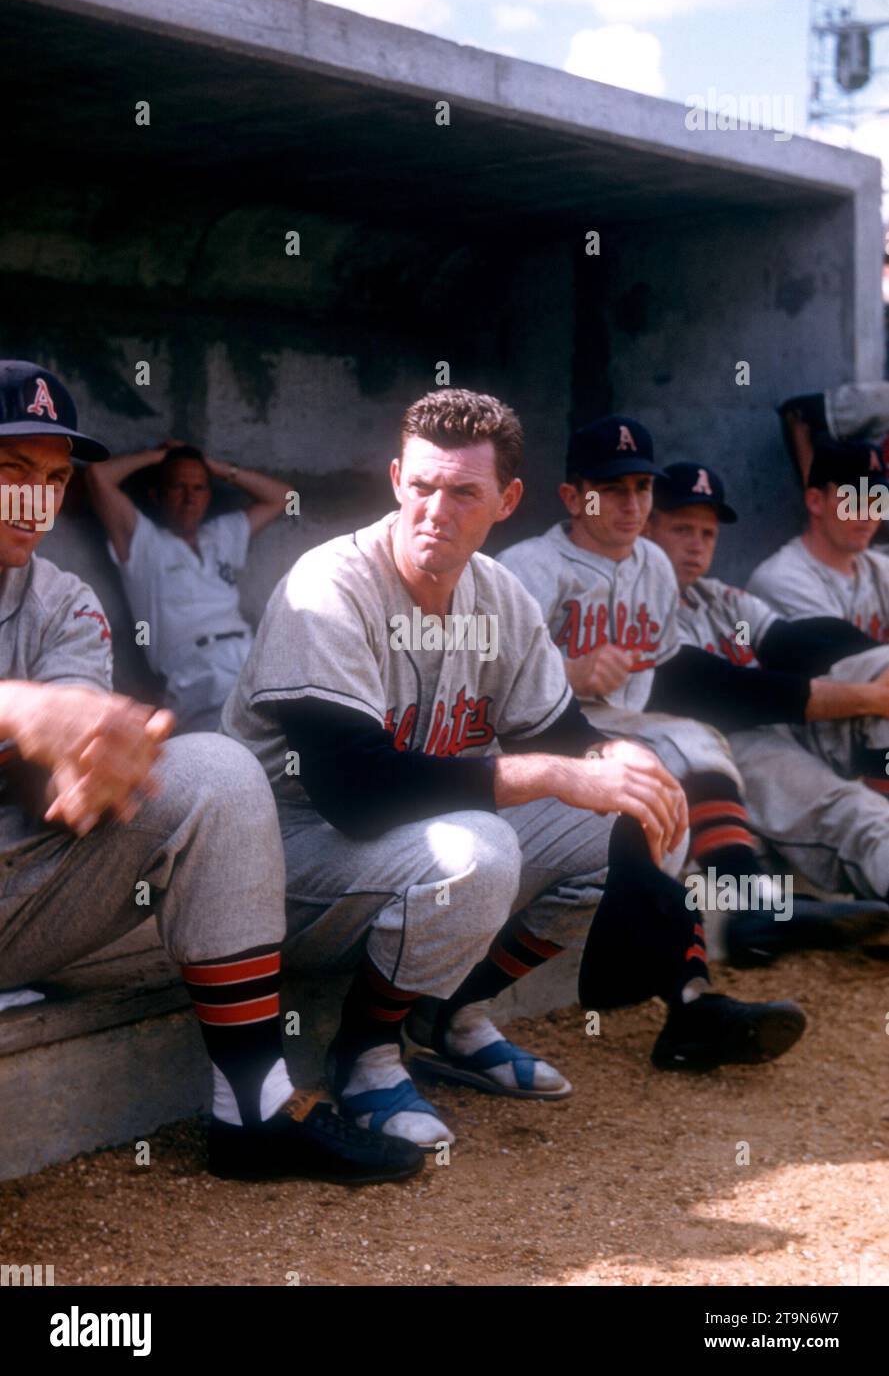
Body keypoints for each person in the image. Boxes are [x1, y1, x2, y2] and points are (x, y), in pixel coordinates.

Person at [221, 389, 806, 1151]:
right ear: (397, 480)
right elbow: (354, 792)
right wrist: (550, 775)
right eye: (423, 486)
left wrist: (611, 755)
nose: (436, 510)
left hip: (388, 849)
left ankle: (452, 1013)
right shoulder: (328, 584)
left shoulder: (497, 594)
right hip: (285, 854)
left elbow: (556, 730)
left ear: (506, 500)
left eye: (464, 492)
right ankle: (365, 1051)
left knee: (632, 796)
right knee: (477, 849)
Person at [0, 361, 422, 1187]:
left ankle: (254, 1110)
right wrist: (18, 708)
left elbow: (55, 789)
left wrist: (91, 763)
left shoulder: (63, 600)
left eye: (54, 479)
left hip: (17, 899)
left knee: (220, 770)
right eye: (12, 474)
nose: (38, 500)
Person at [495, 415, 848, 965]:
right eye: (612, 490)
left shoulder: (653, 564)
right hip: (531, 735)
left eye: (642, 488)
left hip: (615, 725)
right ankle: (732, 923)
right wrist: (567, 671)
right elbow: (483, 675)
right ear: (572, 496)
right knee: (677, 751)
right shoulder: (527, 567)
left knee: (690, 747)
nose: (633, 504)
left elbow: (657, 673)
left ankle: (737, 922)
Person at [647, 452, 889, 919]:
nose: (696, 545)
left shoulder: (716, 597)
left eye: (708, 533)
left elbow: (801, 643)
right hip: (714, 748)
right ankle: (763, 917)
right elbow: (719, 692)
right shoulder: (641, 604)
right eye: (682, 529)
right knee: (857, 814)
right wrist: (867, 695)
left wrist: (877, 670)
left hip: (765, 738)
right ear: (647, 528)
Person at [85, 439, 293, 732]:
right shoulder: (144, 541)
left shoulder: (220, 534)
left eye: (198, 488)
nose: (189, 498)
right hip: (196, 672)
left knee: (292, 735)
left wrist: (215, 467)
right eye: (177, 487)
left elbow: (285, 496)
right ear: (156, 494)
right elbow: (97, 476)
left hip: (250, 654)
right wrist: (158, 456)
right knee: (227, 753)